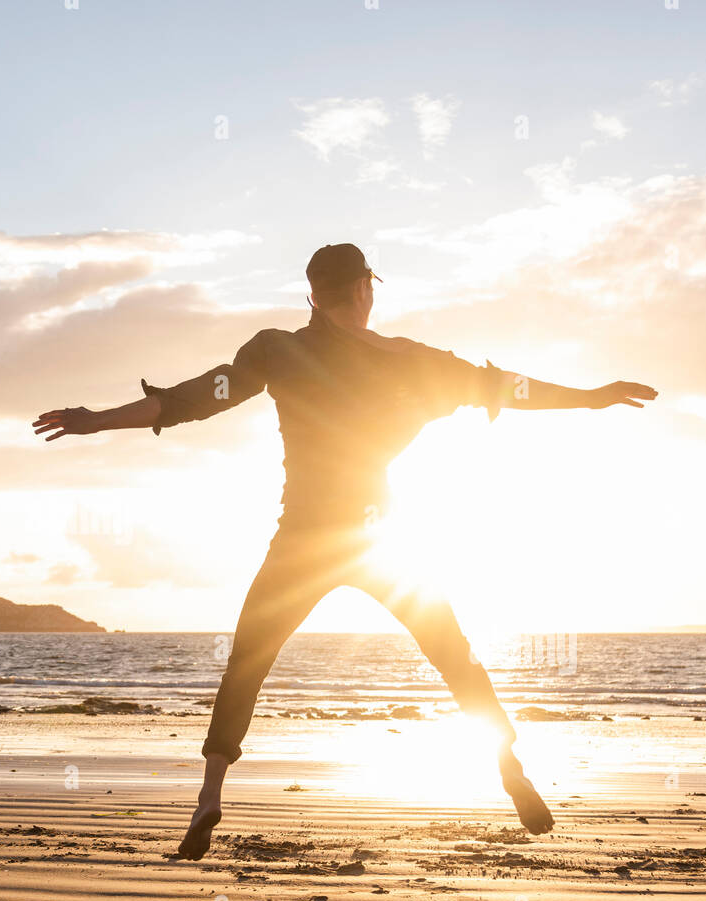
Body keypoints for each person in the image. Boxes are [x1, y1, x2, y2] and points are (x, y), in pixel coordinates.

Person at [33, 243, 657, 859]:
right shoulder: (414, 362)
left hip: (303, 537)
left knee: (248, 660)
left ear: (312, 296)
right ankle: (505, 762)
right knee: (450, 652)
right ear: (366, 289)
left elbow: (193, 399)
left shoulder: (279, 350)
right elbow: (505, 387)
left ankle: (209, 796)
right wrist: (592, 396)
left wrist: (96, 420)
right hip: (380, 538)